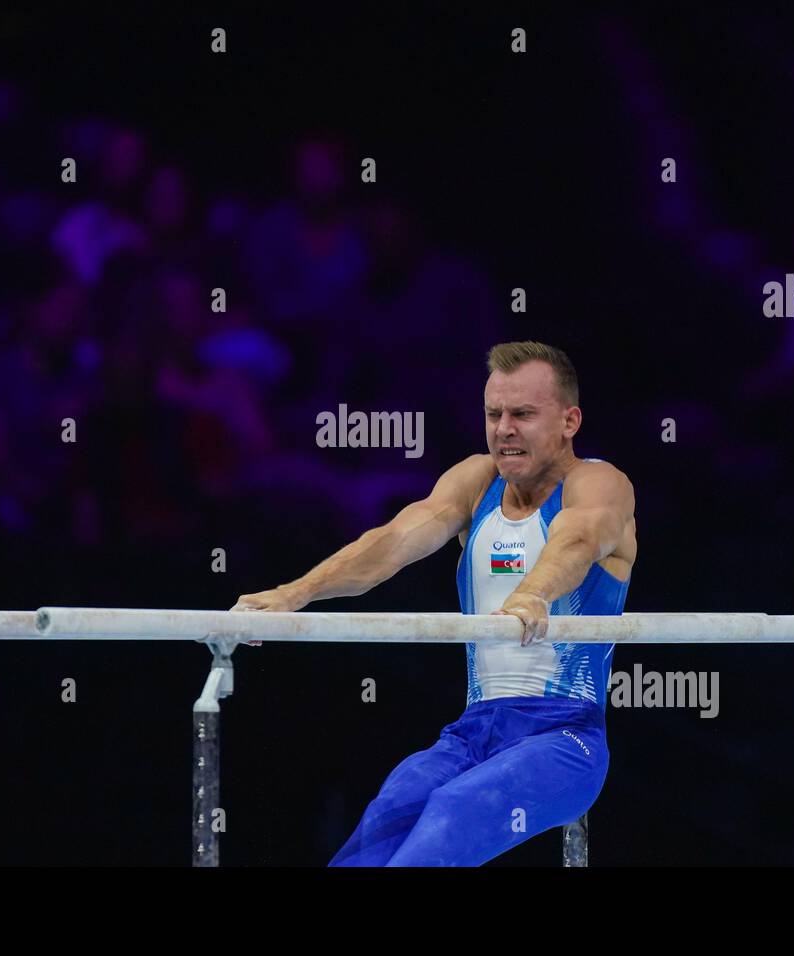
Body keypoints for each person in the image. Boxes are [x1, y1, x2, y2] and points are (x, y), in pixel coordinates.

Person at [231, 341, 637, 865]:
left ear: (569, 420)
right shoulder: (475, 482)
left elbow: (578, 540)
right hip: (474, 732)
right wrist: (294, 594)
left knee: (454, 808)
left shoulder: (600, 482)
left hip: (565, 739)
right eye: (494, 414)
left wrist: (532, 595)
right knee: (391, 810)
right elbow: (393, 542)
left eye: (523, 415)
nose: (504, 429)